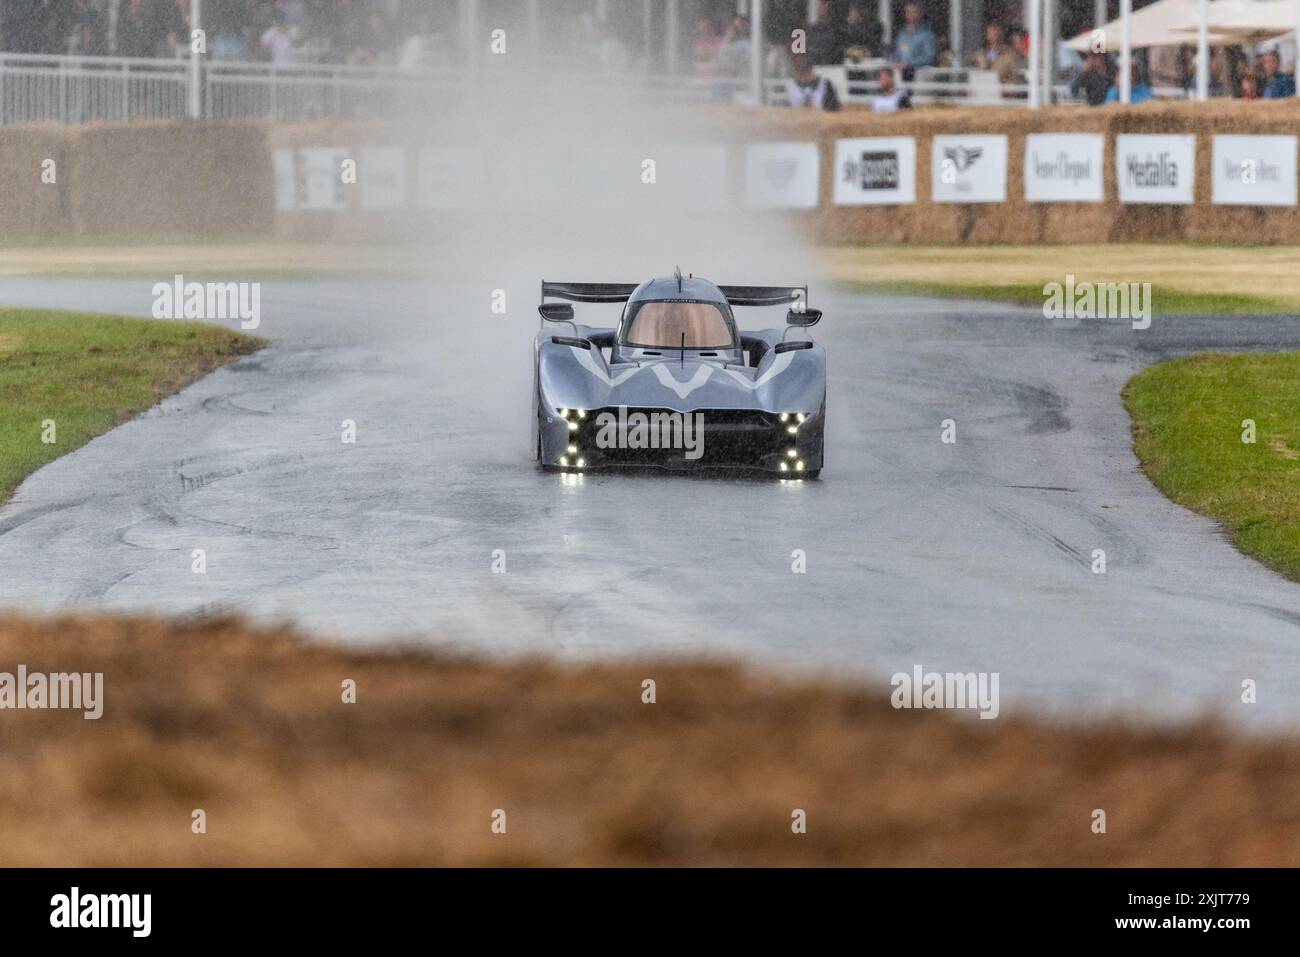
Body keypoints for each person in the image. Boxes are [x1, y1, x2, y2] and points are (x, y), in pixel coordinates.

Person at [891, 2, 935, 80]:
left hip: (918, 72)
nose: (910, 15)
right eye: (908, 12)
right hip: (902, 73)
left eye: (913, 12)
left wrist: (909, 64)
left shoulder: (926, 34)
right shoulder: (902, 34)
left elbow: (929, 57)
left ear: (919, 14)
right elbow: (897, 53)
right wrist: (894, 61)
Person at [806, 0, 844, 65]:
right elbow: (809, 48)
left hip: (833, 66)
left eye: (826, 5)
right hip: (816, 65)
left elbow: (839, 50)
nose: (824, 8)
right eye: (822, 5)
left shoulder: (837, 29)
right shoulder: (812, 29)